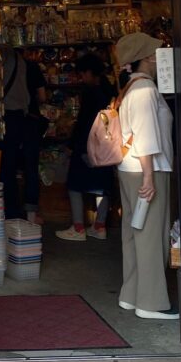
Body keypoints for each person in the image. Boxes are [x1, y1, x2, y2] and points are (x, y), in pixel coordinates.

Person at [114, 32, 178, 320]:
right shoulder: (145, 90)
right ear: (146, 57)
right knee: (152, 236)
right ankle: (150, 302)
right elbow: (147, 136)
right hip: (147, 170)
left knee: (134, 233)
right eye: (155, 52)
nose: (159, 55)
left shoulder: (131, 88)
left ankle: (131, 294)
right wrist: (150, 178)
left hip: (129, 170)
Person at [56, 54, 117, 242]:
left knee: (74, 185)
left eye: (82, 74)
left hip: (87, 146)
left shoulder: (91, 92)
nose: (82, 78)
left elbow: (83, 123)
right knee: (103, 186)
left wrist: (73, 145)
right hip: (107, 146)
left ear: (89, 72)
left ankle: (78, 227)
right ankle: (99, 226)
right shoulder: (110, 89)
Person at [0, 46, 47, 221]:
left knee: (8, 165)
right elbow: (42, 96)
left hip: (8, 118)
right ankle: (31, 213)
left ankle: (11, 211)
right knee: (30, 166)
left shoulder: (0, 64)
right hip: (30, 119)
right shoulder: (32, 67)